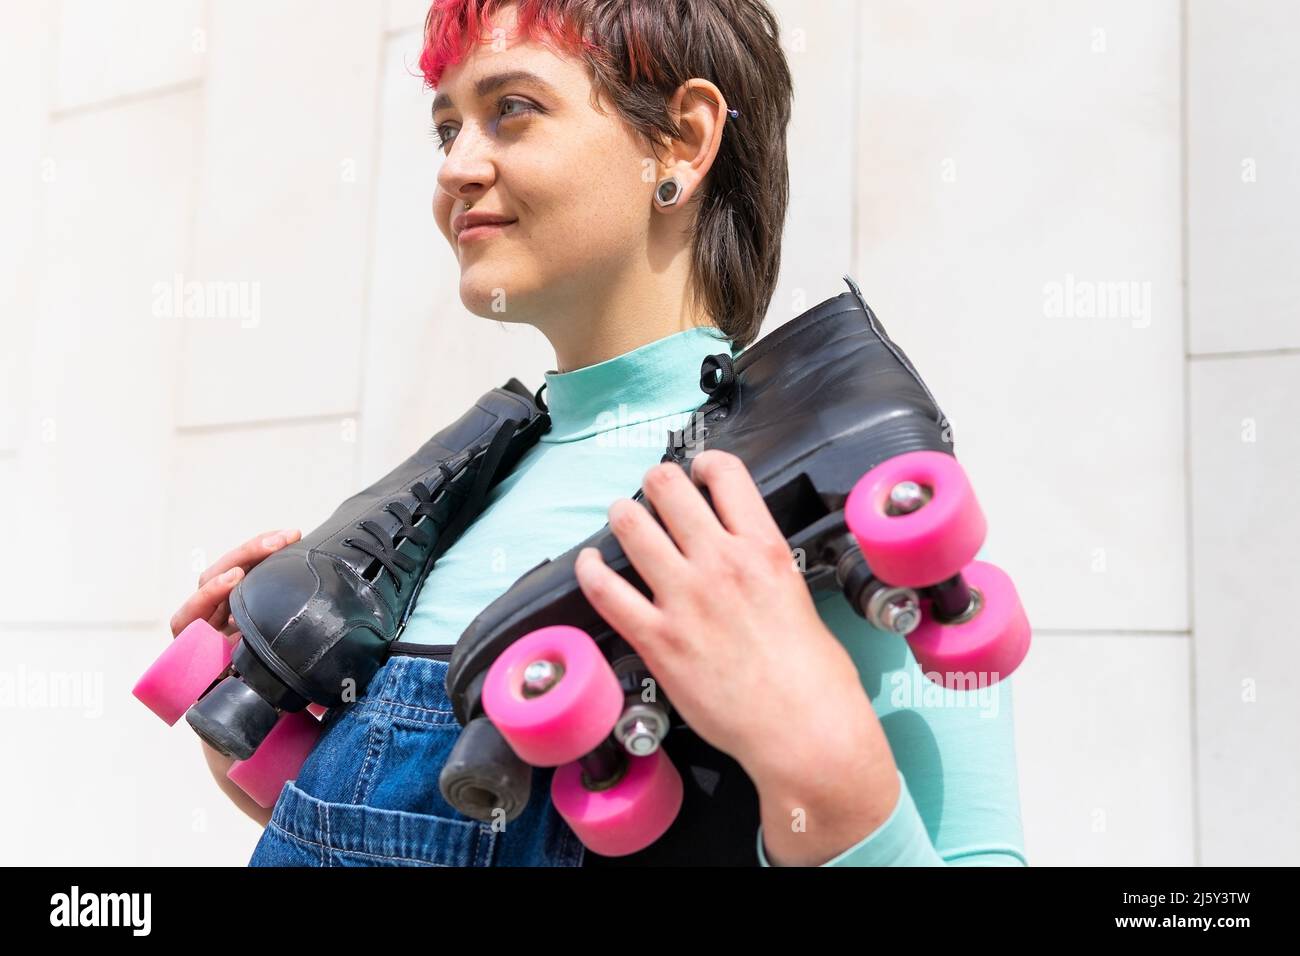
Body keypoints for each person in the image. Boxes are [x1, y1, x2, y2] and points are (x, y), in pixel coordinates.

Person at [170, 0, 1027, 866]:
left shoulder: (827, 493)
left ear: (682, 142)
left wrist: (816, 750)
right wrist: (246, 727)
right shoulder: (451, 505)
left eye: (513, 109)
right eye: (446, 130)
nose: (459, 166)